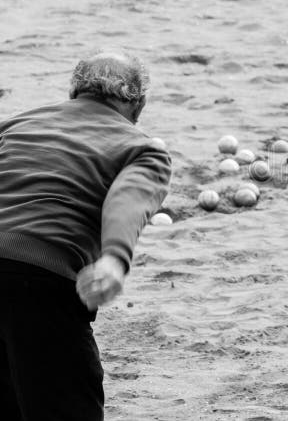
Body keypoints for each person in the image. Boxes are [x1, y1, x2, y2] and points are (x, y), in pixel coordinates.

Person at [0, 52, 172, 420]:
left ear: (74, 91)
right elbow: (127, 200)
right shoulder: (142, 148)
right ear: (139, 104)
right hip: (41, 279)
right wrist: (114, 257)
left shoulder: (15, 124)